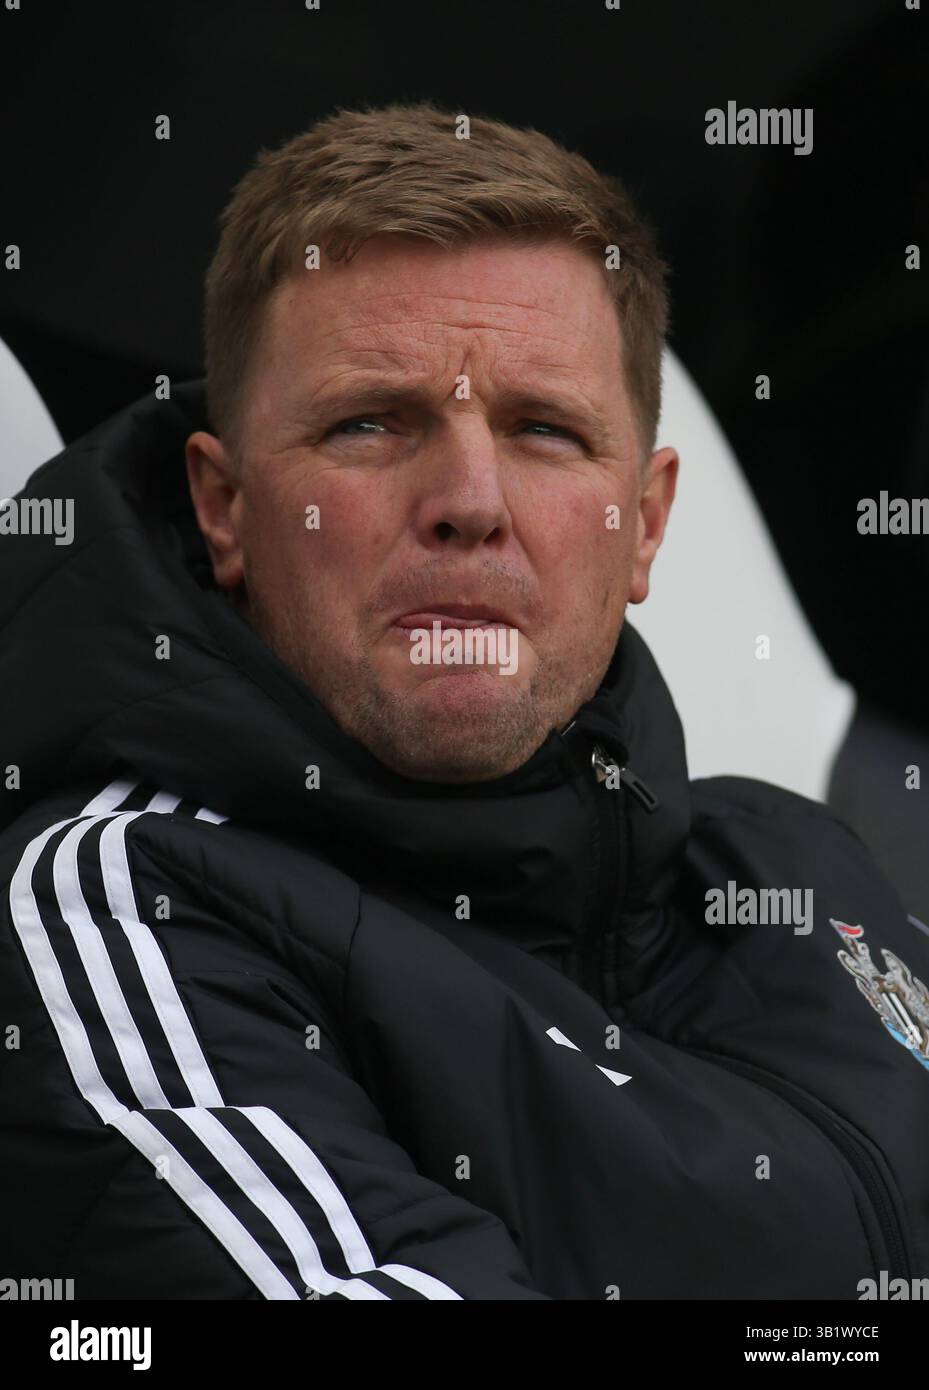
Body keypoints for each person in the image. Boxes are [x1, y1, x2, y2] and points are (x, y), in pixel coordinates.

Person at [0, 101, 926, 1301]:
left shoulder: (790, 854)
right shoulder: (127, 907)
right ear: (225, 509)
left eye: (543, 430)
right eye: (369, 424)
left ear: (644, 525)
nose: (471, 502)